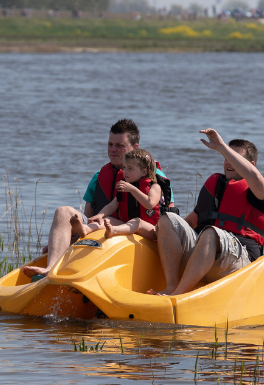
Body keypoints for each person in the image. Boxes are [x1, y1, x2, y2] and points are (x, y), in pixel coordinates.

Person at [21, 119, 173, 278]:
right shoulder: (98, 177)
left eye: (119, 145)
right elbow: (89, 217)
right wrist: (62, 240)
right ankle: (51, 268)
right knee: (63, 212)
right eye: (110, 144)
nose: (113, 150)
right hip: (103, 233)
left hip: (138, 238)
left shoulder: (155, 179)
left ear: (135, 148)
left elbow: (169, 220)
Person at [150, 128, 264, 296]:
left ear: (251, 165)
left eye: (234, 157)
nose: (228, 162)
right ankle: (171, 286)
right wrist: (155, 231)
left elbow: (255, 177)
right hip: (201, 257)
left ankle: (178, 295)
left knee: (211, 233)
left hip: (239, 263)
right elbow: (189, 222)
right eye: (226, 157)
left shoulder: (263, 190)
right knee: (168, 219)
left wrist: (221, 146)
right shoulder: (216, 186)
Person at [84, 148, 164, 241]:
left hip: (151, 230)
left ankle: (114, 230)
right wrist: (100, 215)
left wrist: (132, 189)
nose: (125, 171)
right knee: (107, 219)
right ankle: (86, 229)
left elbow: (150, 204)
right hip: (126, 225)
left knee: (137, 221)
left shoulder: (154, 186)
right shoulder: (124, 186)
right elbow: (111, 206)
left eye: (130, 168)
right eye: (124, 167)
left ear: (143, 171)